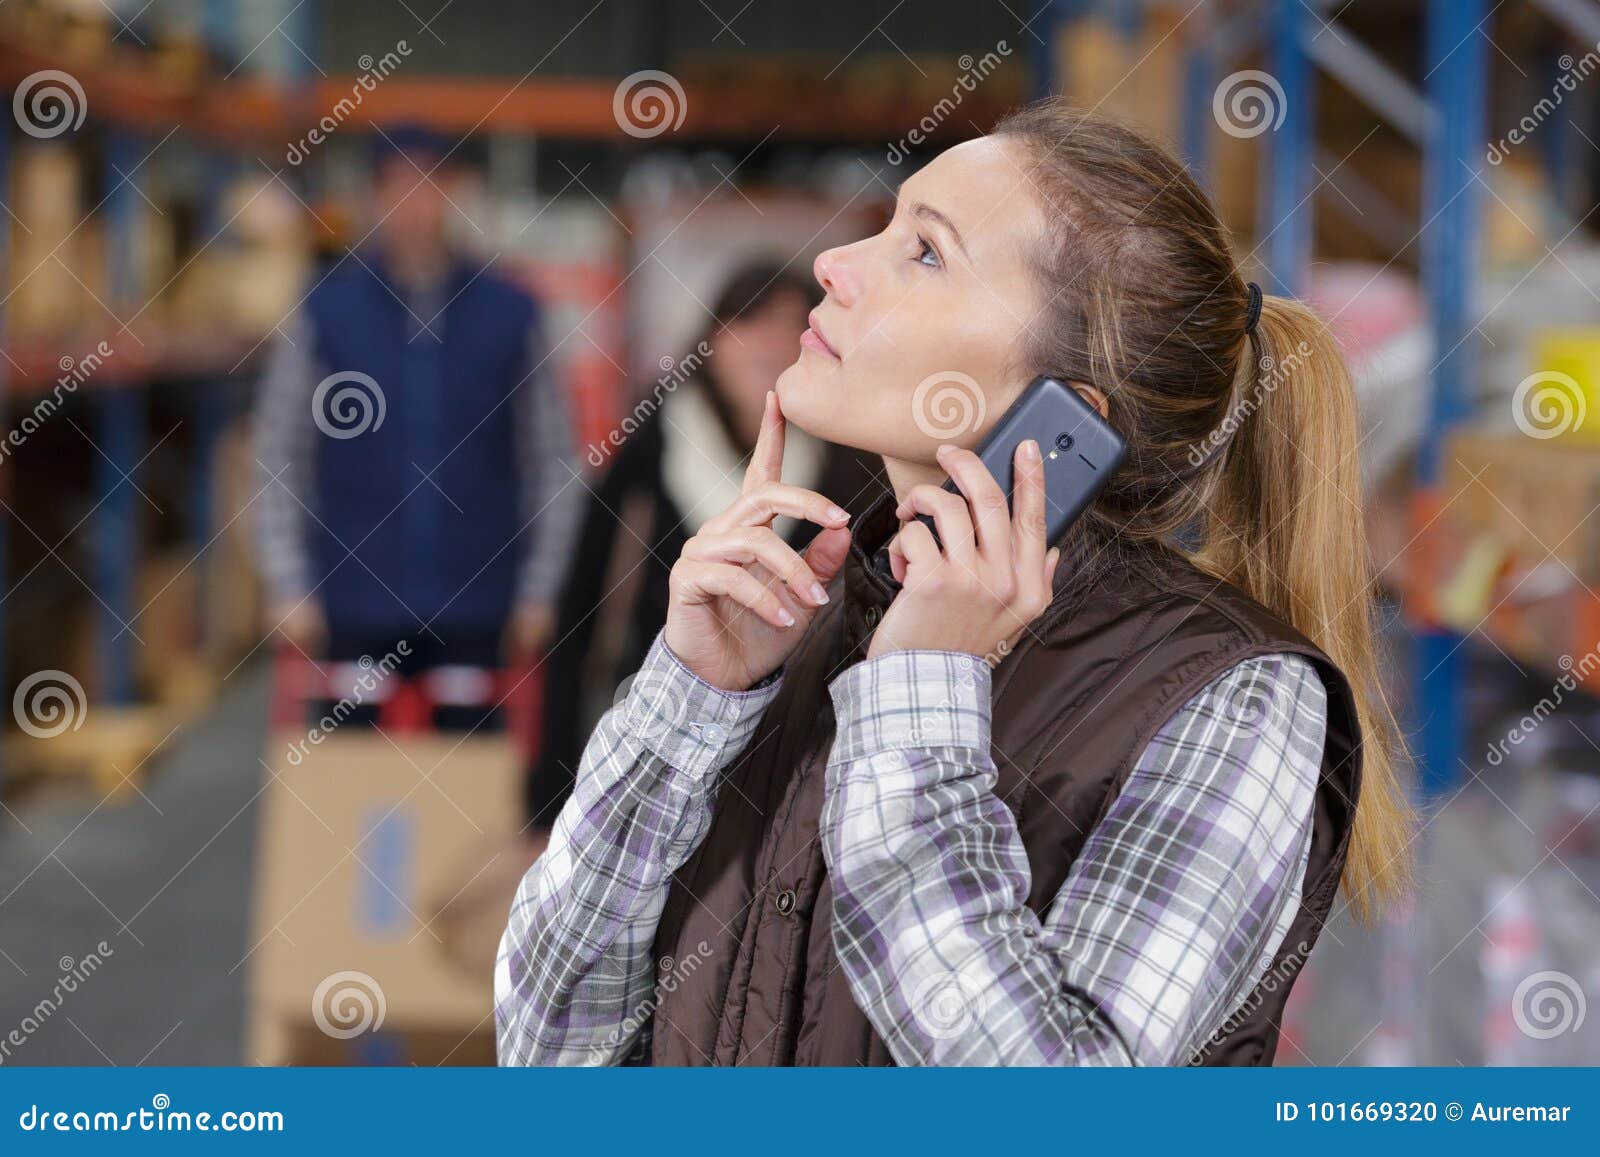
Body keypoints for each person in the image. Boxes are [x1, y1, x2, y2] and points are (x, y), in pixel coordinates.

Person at [495, 101, 1416, 1067]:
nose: (834, 266)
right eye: (887, 228)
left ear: (1061, 416)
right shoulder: (804, 619)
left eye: (925, 252)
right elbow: (552, 1050)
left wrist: (920, 701)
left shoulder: (1230, 697)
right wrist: (692, 702)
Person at [522, 261, 886, 831]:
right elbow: (577, 625)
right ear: (713, 339)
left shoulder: (849, 465)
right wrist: (548, 798)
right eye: (750, 324)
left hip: (790, 772)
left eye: (788, 328)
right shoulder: (646, 453)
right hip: (648, 749)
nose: (768, 346)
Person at [254, 126, 581, 725]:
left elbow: (552, 461)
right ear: (373, 198)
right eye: (398, 187)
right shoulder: (326, 313)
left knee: (470, 799)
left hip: (477, 604)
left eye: (431, 185)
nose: (415, 206)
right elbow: (280, 453)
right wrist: (288, 582)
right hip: (353, 602)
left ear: (455, 196)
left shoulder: (511, 313)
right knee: (346, 802)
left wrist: (539, 589)